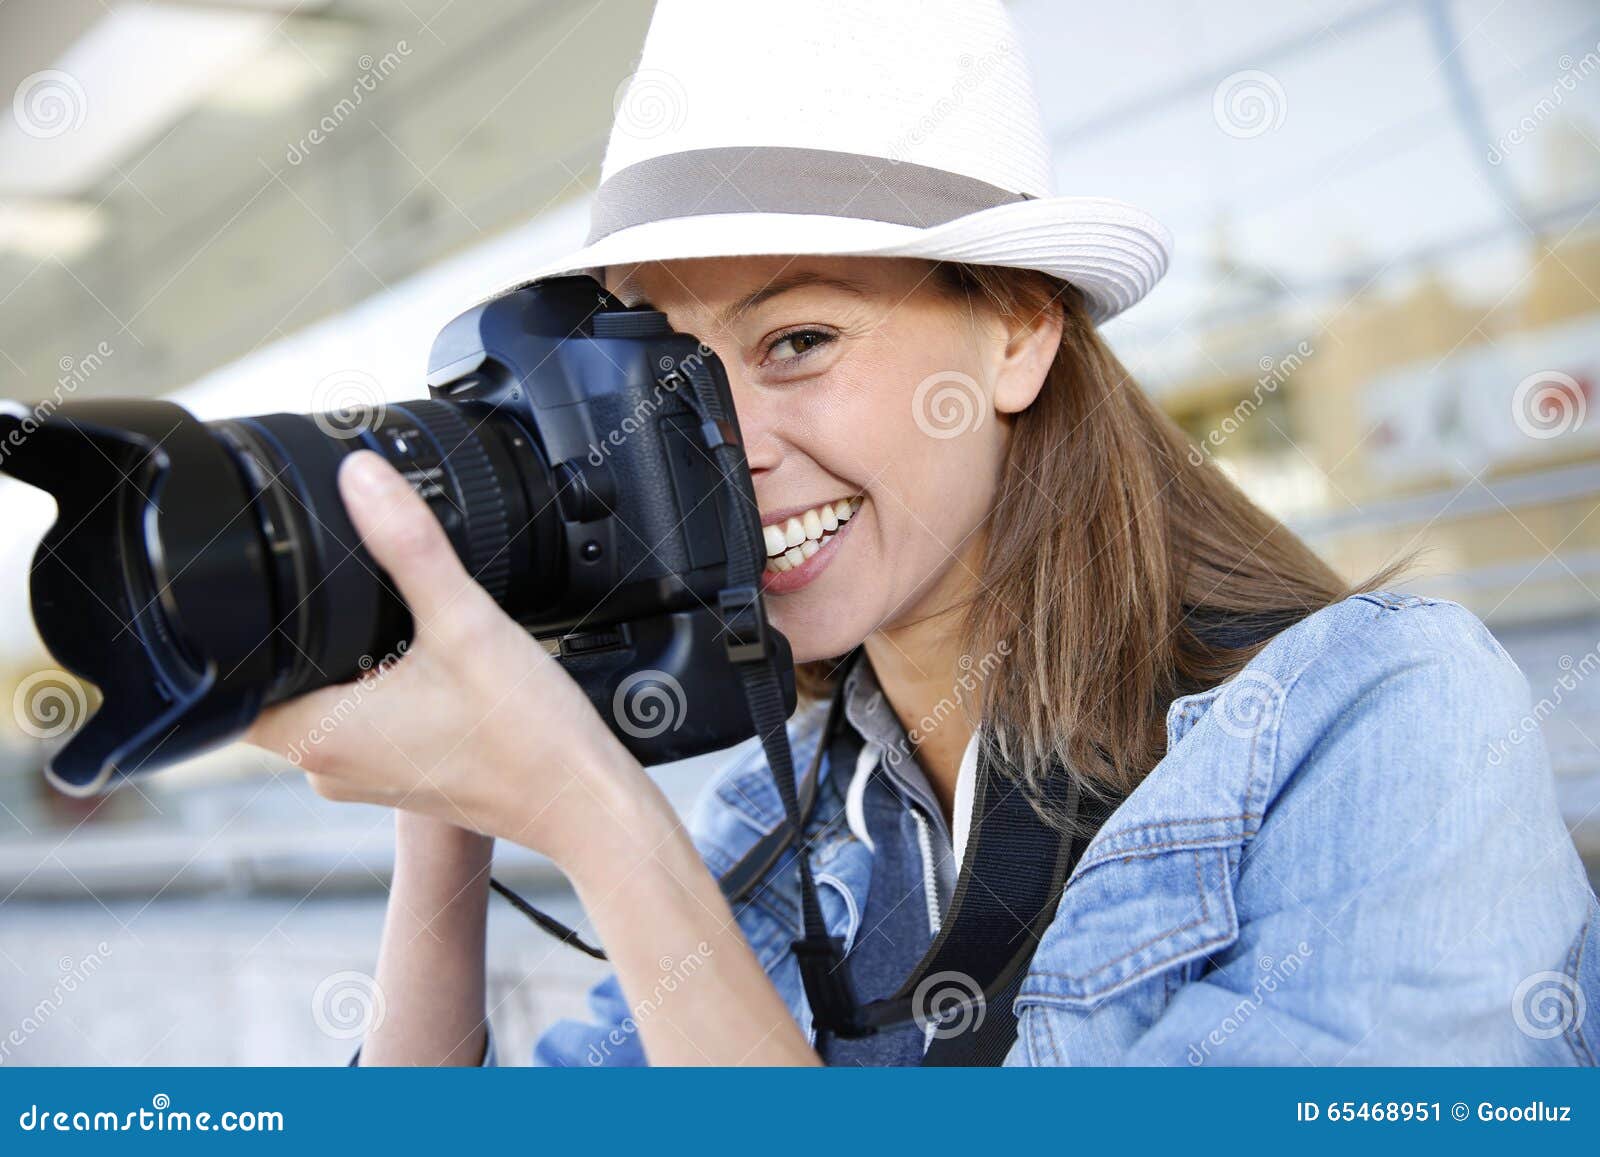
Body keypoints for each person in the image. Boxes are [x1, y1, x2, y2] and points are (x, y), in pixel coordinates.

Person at [246, 0, 1600, 1065]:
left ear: (1019, 327)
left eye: (798, 339)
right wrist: (449, 801)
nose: (730, 442)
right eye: (674, 379)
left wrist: (596, 821)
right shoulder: (780, 836)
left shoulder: (1383, 722)